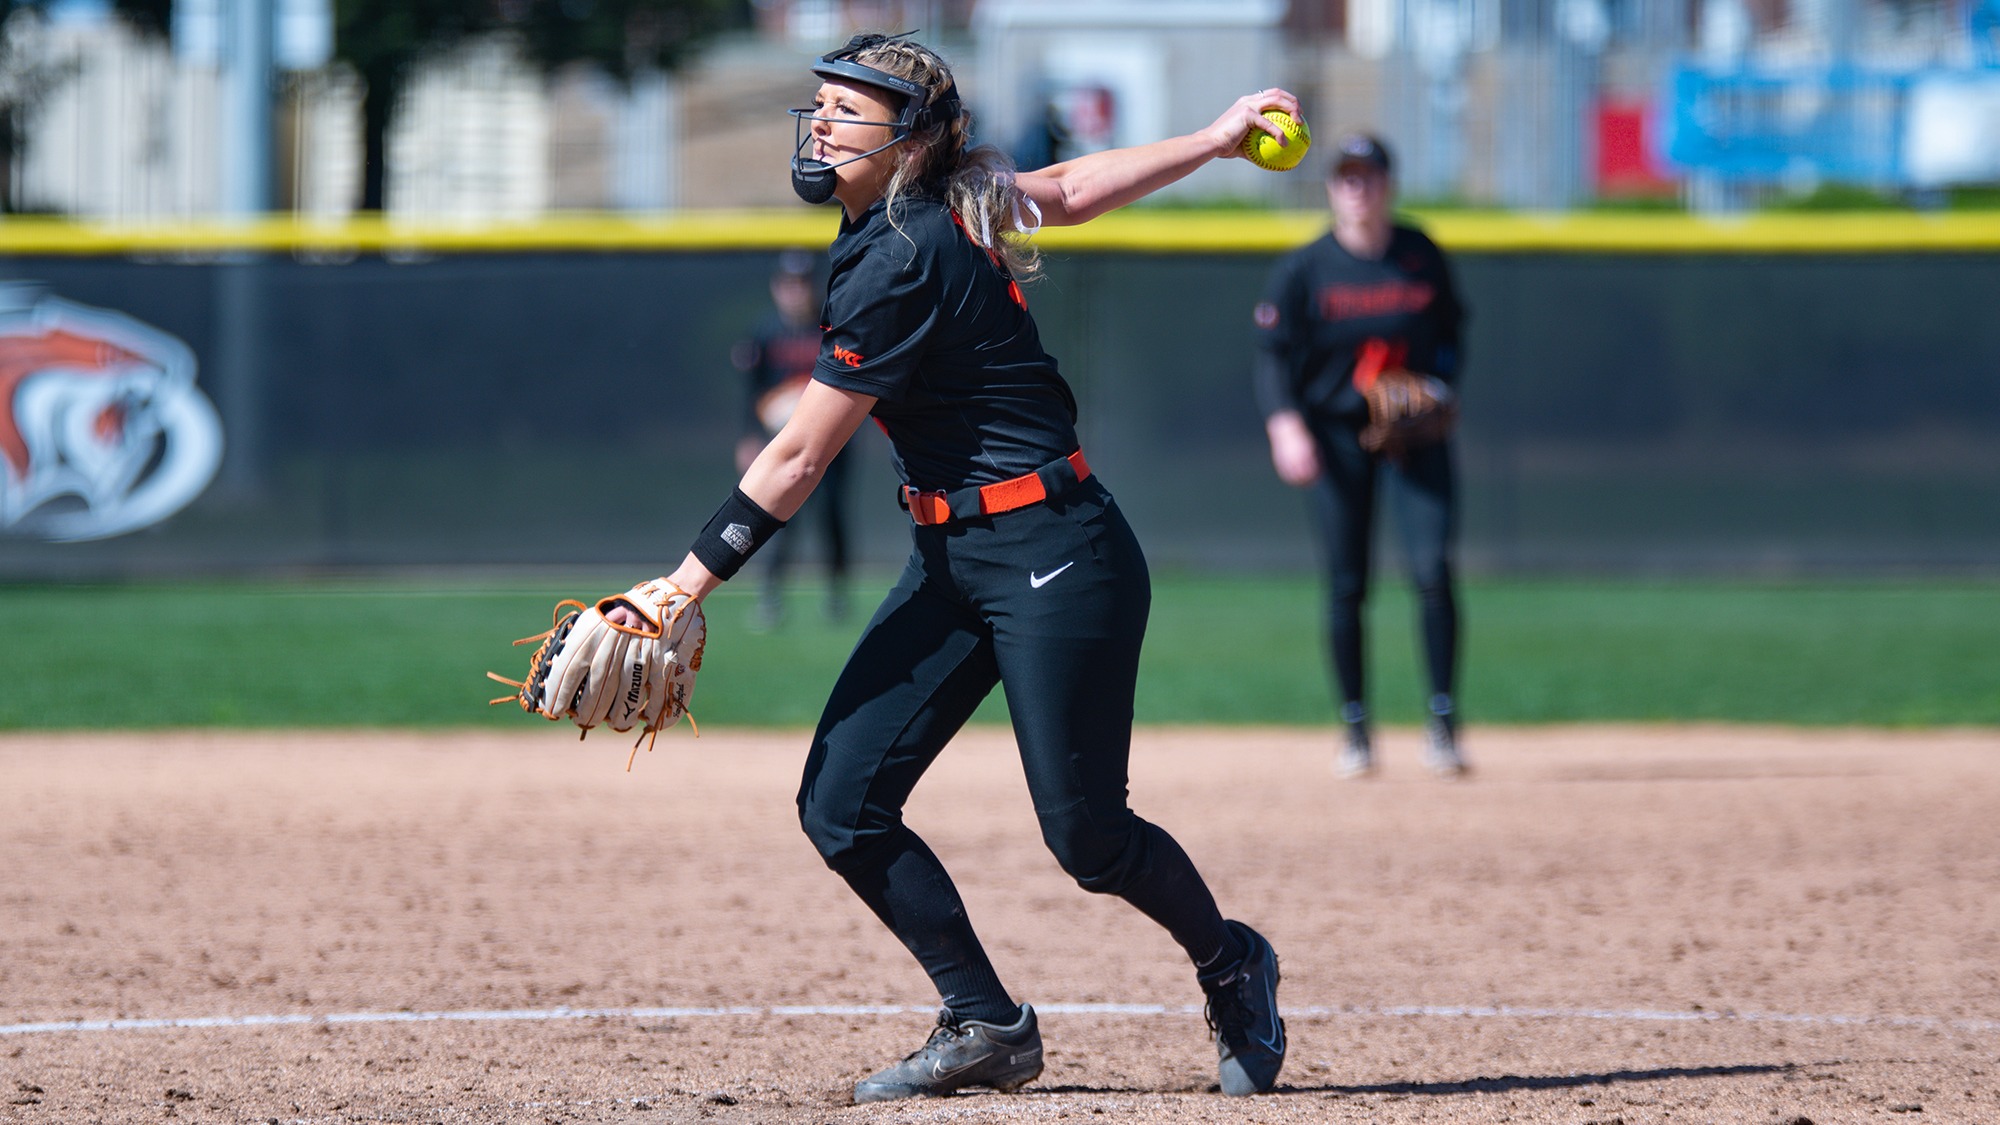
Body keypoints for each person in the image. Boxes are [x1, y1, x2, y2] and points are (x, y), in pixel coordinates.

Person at [616, 32, 1297, 1103]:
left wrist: (680, 587)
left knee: (1089, 838)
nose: (822, 121)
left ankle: (1231, 961)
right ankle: (985, 1022)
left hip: (1057, 552)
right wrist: (1212, 141)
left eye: (850, 110)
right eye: (820, 102)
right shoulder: (935, 208)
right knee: (842, 803)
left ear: (911, 142)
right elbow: (1069, 190)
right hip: (952, 556)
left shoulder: (904, 253)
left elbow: (797, 458)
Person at [1252, 132, 1470, 781]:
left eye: (1369, 176)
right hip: (1337, 435)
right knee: (1348, 583)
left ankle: (1443, 725)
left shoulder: (1420, 254)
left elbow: (1453, 332)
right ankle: (1356, 730)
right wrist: (1286, 427)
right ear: (1331, 188)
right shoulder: (1305, 268)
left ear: (1387, 184)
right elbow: (1272, 355)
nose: (1358, 188)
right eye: (1346, 177)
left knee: (1433, 570)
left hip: (1415, 438)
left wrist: (1440, 386)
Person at [730, 249, 852, 628]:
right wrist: (749, 438)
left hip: (830, 442)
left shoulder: (830, 328)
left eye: (802, 284)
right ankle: (770, 596)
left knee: (831, 515)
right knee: (775, 516)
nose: (795, 292)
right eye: (789, 284)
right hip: (779, 444)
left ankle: (836, 594)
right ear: (777, 287)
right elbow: (752, 392)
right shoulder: (765, 332)